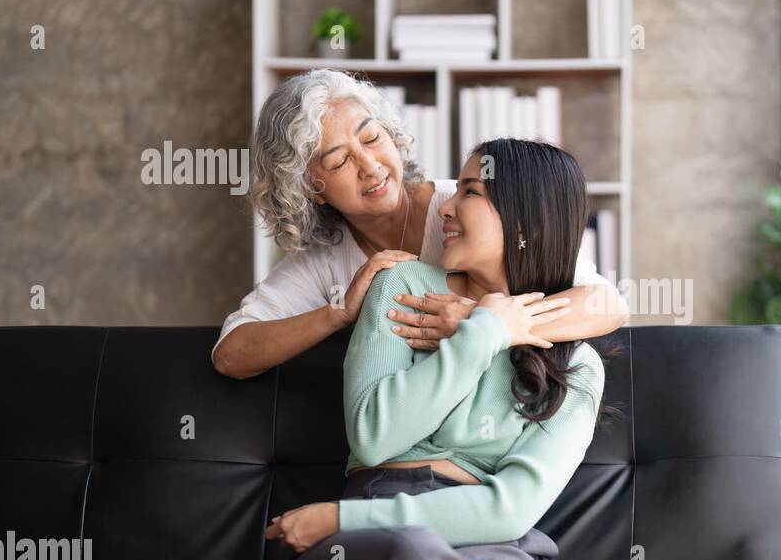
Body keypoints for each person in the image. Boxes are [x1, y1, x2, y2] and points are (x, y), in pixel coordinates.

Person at [266, 138, 605, 560]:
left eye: (469, 192)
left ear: (525, 221)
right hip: (379, 532)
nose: (445, 206)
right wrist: (482, 336)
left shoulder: (578, 364)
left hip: (491, 549)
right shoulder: (403, 287)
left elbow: (509, 510)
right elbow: (375, 437)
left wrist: (339, 519)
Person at [211, 68, 628, 379]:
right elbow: (230, 355)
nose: (371, 166)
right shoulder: (325, 258)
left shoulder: (463, 205)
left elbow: (607, 304)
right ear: (310, 187)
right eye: (338, 161)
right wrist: (339, 312)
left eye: (372, 138)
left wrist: (480, 322)